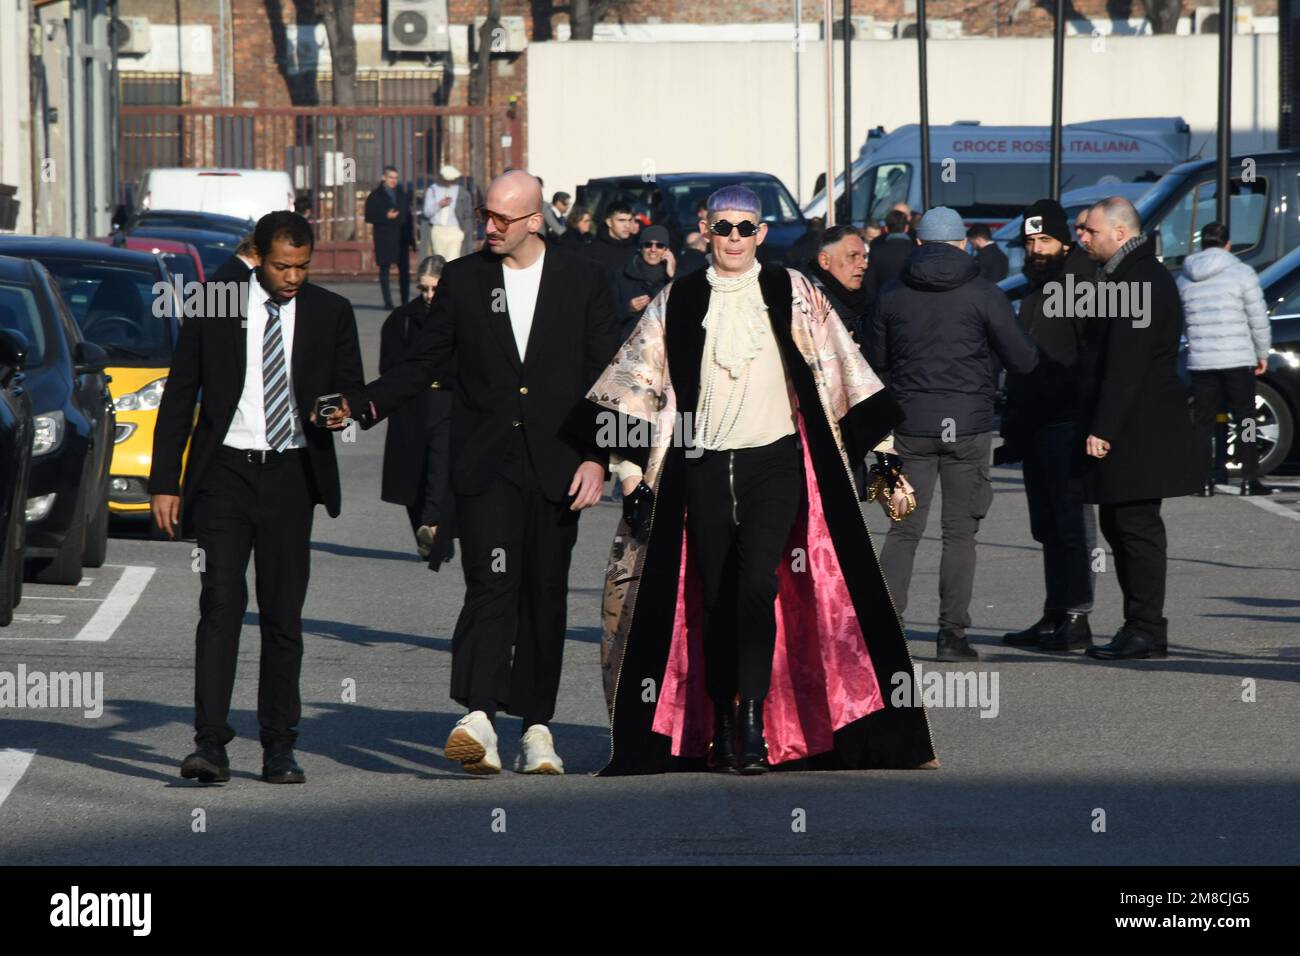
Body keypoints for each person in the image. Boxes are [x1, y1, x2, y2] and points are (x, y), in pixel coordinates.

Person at [563, 185, 936, 776]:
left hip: (775, 462)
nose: (734, 238)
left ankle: (756, 727)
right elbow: (636, 381)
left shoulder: (794, 290)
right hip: (701, 465)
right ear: (706, 231)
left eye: (745, 227)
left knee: (757, 586)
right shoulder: (676, 299)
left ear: (761, 233)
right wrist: (631, 475)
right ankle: (723, 729)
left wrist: (884, 452)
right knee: (711, 597)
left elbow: (843, 365)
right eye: (723, 227)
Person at [341, 170, 621, 776]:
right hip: (486, 467)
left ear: (534, 220)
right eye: (485, 216)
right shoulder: (466, 280)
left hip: (559, 467)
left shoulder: (582, 279)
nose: (487, 228)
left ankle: (538, 730)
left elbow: (607, 377)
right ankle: (478, 718)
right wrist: (362, 404)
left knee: (544, 595)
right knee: (492, 583)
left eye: (501, 219)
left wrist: (599, 458)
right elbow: (424, 363)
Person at [149, 211, 364, 785]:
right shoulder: (215, 302)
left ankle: (278, 747)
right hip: (225, 473)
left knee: (283, 616)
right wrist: (164, 481)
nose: (292, 277)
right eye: (280, 266)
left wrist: (339, 409)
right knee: (221, 604)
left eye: (301, 266)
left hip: (292, 476)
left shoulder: (331, 312)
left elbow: (350, 389)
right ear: (257, 257)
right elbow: (181, 391)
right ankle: (210, 746)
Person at [870, 207, 1039, 662]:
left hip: (909, 425)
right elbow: (1023, 358)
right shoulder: (985, 294)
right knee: (960, 535)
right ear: (964, 243)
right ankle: (951, 636)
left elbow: (875, 363)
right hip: (968, 425)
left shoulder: (891, 295)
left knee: (902, 529)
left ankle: (887, 631)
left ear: (918, 243)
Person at [1076, 196, 1201, 661]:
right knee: (1122, 522)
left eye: (1091, 230)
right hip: (1134, 425)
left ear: (1121, 233)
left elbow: (1126, 364)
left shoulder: (1140, 281)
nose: (1082, 237)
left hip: (1138, 430)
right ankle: (1141, 625)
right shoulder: (1128, 275)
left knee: (1135, 526)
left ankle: (1146, 628)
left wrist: (1103, 427)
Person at [997, 199, 1098, 653]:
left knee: (1071, 523)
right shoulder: (1037, 285)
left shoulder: (1081, 283)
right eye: (1030, 241)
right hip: (1037, 423)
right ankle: (1055, 612)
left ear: (1065, 240)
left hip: (1068, 422)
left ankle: (1077, 616)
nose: (1036, 248)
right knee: (1047, 525)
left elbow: (1093, 358)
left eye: (1045, 240)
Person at [1177, 220, 1274, 497]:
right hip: (1237, 357)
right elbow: (1257, 317)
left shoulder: (1185, 277)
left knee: (1203, 422)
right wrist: (1261, 352)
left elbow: (1182, 320)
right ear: (1228, 244)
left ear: (1202, 244)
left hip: (1202, 360)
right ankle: (1248, 478)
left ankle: (1203, 481)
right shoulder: (1242, 273)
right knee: (1245, 418)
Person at [379, 256, 456, 567]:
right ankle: (426, 536)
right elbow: (388, 367)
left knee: (440, 472)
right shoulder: (402, 319)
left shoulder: (461, 317)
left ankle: (436, 528)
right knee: (412, 476)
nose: (428, 295)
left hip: (448, 402)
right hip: (410, 406)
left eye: (435, 288)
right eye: (423, 288)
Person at [802, 224, 869, 343]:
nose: (863, 265)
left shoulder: (863, 300)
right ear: (825, 261)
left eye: (864, 257)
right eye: (852, 256)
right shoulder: (810, 309)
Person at [365, 165, 416, 309]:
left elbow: (408, 216)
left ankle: (405, 301)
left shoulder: (402, 194)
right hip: (384, 237)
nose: (394, 181)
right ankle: (388, 302)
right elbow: (369, 216)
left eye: (396, 178)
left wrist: (411, 239)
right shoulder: (375, 195)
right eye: (391, 177)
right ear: (384, 178)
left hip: (401, 237)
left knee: (404, 271)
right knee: (385, 269)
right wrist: (385, 216)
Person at [613, 224, 674, 342]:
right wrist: (628, 308)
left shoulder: (676, 276)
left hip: (662, 347)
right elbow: (607, 314)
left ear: (666, 250)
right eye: (648, 244)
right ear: (640, 248)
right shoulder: (622, 275)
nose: (653, 249)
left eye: (660, 245)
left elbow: (685, 312)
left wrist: (672, 276)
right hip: (630, 347)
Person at [862, 208, 915, 314]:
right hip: (911, 306)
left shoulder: (877, 251)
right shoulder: (916, 250)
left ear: (885, 228)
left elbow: (870, 284)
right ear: (906, 228)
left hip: (884, 307)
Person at [422, 164, 474, 261]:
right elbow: (427, 212)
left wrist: (464, 230)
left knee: (453, 260)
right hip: (438, 230)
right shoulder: (432, 190)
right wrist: (439, 205)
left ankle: (452, 276)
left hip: (455, 229)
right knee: (439, 261)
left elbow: (467, 214)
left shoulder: (461, 192)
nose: (450, 182)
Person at [584, 199, 639, 292]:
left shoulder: (637, 250)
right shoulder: (591, 252)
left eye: (629, 220)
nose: (627, 225)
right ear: (609, 222)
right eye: (621, 220)